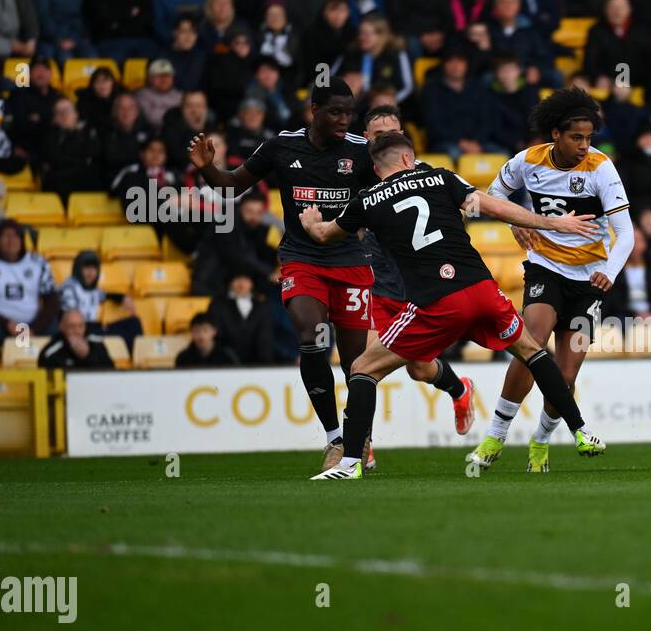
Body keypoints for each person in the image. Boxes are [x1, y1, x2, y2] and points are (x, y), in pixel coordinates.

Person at [299, 131, 606, 480]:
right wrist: (552, 222)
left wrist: (311, 222)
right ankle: (580, 429)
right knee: (533, 352)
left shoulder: (368, 202)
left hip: (436, 304)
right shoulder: (440, 177)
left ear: (377, 167)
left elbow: (326, 235)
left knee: (363, 368)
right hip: (482, 290)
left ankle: (351, 463)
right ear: (406, 159)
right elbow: (490, 206)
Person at [189, 79, 380, 472]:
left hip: (350, 263)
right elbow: (231, 186)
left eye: (349, 112)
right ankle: (334, 439)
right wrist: (208, 167)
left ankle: (360, 440)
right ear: (313, 110)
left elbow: (393, 193)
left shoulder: (362, 152)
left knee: (356, 363)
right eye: (335, 112)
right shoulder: (282, 145)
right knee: (310, 338)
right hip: (302, 259)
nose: (345, 120)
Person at [470, 87, 634, 475]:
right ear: (556, 135)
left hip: (590, 279)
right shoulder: (528, 162)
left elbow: (625, 232)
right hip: (545, 267)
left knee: (566, 374)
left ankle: (540, 443)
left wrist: (608, 273)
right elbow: (493, 195)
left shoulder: (601, 167)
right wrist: (514, 222)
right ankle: (495, 436)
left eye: (589, 138)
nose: (583, 146)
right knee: (531, 344)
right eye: (576, 137)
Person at [359, 104, 478, 433]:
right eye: (379, 134)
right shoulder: (357, 174)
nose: (386, 138)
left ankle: (460, 389)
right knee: (364, 365)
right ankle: (361, 447)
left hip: (417, 289)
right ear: (366, 138)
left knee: (420, 370)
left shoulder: (428, 172)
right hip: (377, 286)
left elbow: (470, 203)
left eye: (393, 133)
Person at [0, 220, 56, 348]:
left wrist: (33, 328)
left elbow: (52, 301)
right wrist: (7, 323)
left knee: (55, 328)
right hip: (0, 324)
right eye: (6, 235)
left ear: (22, 240)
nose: (11, 240)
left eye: (15, 235)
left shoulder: (38, 262)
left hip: (32, 324)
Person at [58, 250, 143, 347]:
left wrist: (122, 298)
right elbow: (72, 320)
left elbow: (104, 295)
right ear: (78, 269)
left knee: (133, 323)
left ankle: (136, 356)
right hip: (80, 332)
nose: (91, 273)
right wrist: (98, 327)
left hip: (95, 328)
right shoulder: (69, 288)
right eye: (86, 268)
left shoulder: (91, 288)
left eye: (94, 268)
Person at [38, 308, 114, 370]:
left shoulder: (97, 343)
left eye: (81, 326)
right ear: (62, 327)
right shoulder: (51, 352)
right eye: (72, 326)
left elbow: (110, 373)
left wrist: (87, 356)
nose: (77, 331)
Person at [176, 312, 241, 367]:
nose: (201, 335)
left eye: (205, 330)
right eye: (197, 331)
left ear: (214, 331)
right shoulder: (183, 358)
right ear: (191, 333)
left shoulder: (227, 356)